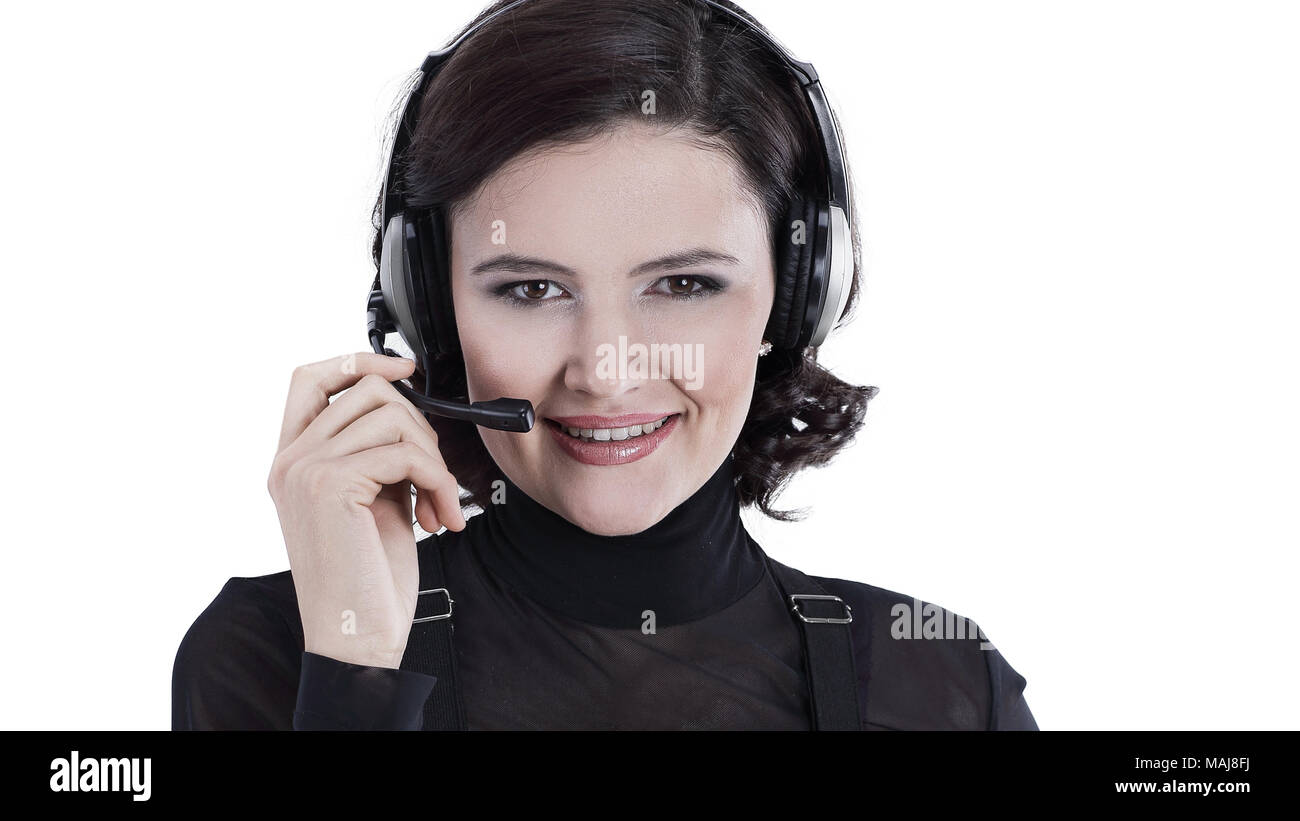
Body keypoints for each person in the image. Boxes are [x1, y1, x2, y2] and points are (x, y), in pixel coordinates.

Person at [172, 0, 1037, 731]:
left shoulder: (942, 685)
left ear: (798, 293)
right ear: (433, 307)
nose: (606, 371)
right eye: (533, 288)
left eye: (684, 283)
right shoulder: (278, 649)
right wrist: (356, 672)